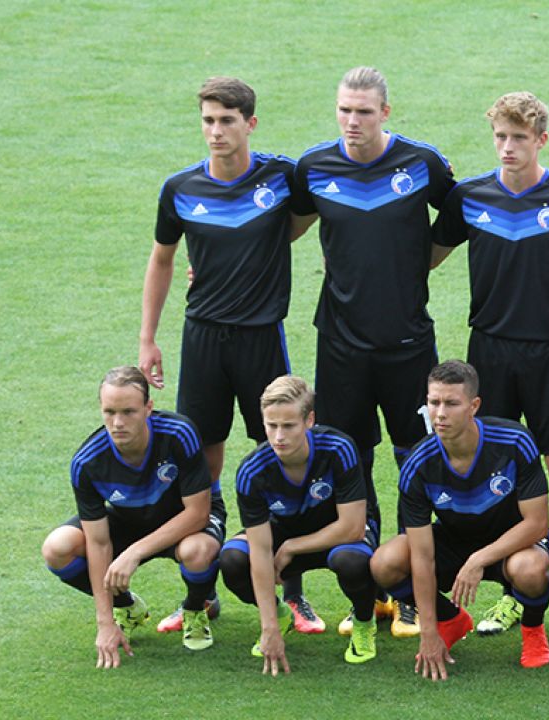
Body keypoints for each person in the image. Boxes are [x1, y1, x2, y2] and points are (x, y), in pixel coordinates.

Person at [430, 91, 549, 640]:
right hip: (488, 354)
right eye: (500, 137)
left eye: (519, 138)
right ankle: (517, 594)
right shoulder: (469, 198)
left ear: (541, 140)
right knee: (502, 473)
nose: (508, 147)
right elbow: (420, 259)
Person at [138, 77, 318, 633]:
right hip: (203, 340)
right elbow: (162, 259)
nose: (216, 131)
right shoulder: (180, 188)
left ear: (250, 124)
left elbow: (303, 219)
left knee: (282, 454)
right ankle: (201, 593)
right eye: (208, 121)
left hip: (262, 338)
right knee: (203, 462)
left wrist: (260, 249)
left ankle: (292, 591)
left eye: (226, 121)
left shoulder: (282, 177)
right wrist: (147, 338)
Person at [294, 66, 456, 639]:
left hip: (408, 345)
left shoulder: (422, 164)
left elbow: (458, 216)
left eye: (363, 111)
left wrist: (416, 266)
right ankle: (371, 594)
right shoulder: (314, 168)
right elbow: (281, 226)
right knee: (352, 462)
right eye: (344, 109)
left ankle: (412, 590)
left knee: (416, 460)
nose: (352, 121)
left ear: (385, 112)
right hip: (340, 346)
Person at [369, 361, 549, 679]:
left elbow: (537, 523)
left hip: (513, 542)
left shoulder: (514, 441)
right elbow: (422, 555)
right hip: (454, 540)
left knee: (530, 569)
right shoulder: (417, 464)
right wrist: (429, 631)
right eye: (434, 402)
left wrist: (479, 559)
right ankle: (451, 619)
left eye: (451, 403)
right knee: (385, 562)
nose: (440, 414)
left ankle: (533, 629)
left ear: (474, 406)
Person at [41, 366, 225, 667]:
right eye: (110, 412)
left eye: (128, 412)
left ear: (148, 408)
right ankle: (126, 608)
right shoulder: (87, 463)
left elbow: (198, 513)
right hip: (129, 519)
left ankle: (195, 608)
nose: (118, 423)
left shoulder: (179, 434)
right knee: (57, 548)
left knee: (197, 551)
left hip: (185, 519)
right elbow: (98, 542)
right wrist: (104, 622)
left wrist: (134, 553)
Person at [218, 375, 380, 673]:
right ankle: (281, 615)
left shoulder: (338, 448)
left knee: (350, 561)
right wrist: (268, 626)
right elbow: (260, 549)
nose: (279, 436)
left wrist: (293, 546)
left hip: (338, 535)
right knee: (232, 559)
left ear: (309, 421)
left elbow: (353, 527)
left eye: (289, 426)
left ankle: (363, 621)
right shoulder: (252, 471)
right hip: (283, 533)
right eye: (271, 425)